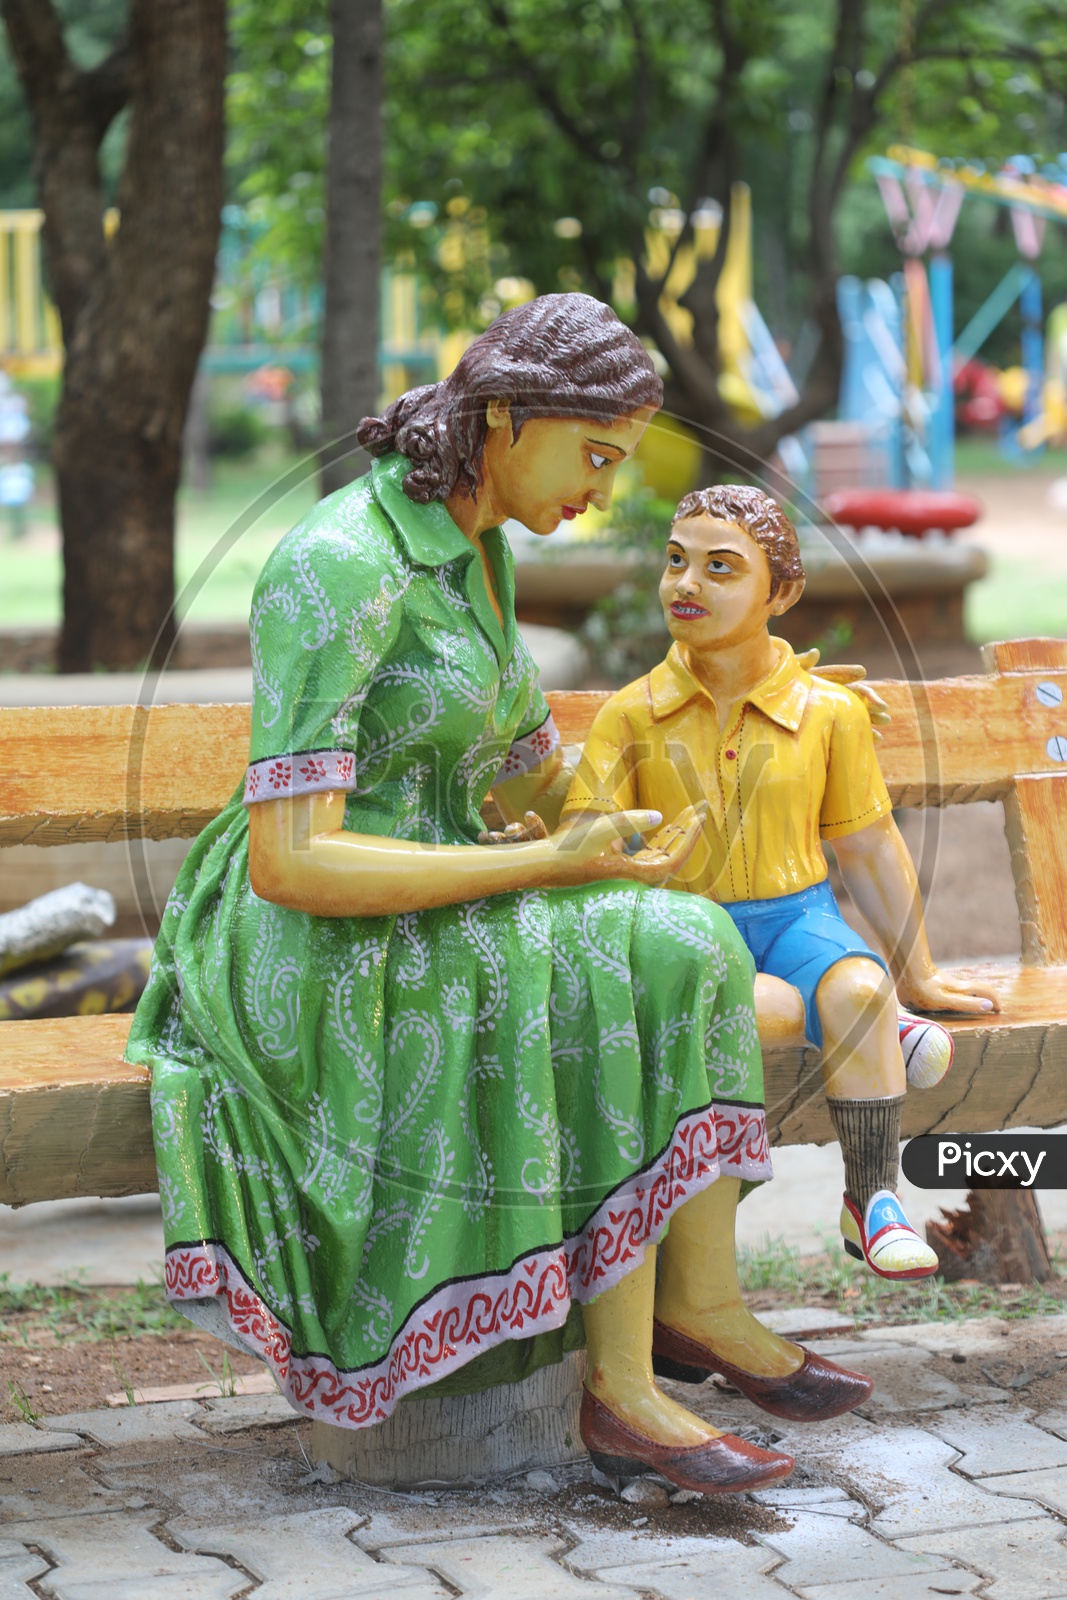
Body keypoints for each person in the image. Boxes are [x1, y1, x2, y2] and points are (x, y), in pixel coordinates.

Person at [126, 296, 875, 1496]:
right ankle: (625, 1389)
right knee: (624, 955)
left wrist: (754, 694)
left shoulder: (477, 547)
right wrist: (550, 863)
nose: (605, 487)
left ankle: (691, 1311)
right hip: (314, 935)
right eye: (594, 455)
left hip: (437, 894)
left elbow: (535, 770)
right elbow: (293, 862)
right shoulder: (339, 565)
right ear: (508, 417)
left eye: (619, 463)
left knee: (676, 938)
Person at [562, 484, 1000, 1282]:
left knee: (859, 991)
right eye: (675, 562)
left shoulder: (825, 713)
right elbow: (587, 844)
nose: (685, 585)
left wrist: (918, 973)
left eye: (719, 568)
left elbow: (866, 848)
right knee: (778, 1009)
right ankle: (687, 1265)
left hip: (798, 919)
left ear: (782, 591)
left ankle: (869, 1200)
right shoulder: (631, 717)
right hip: (687, 929)